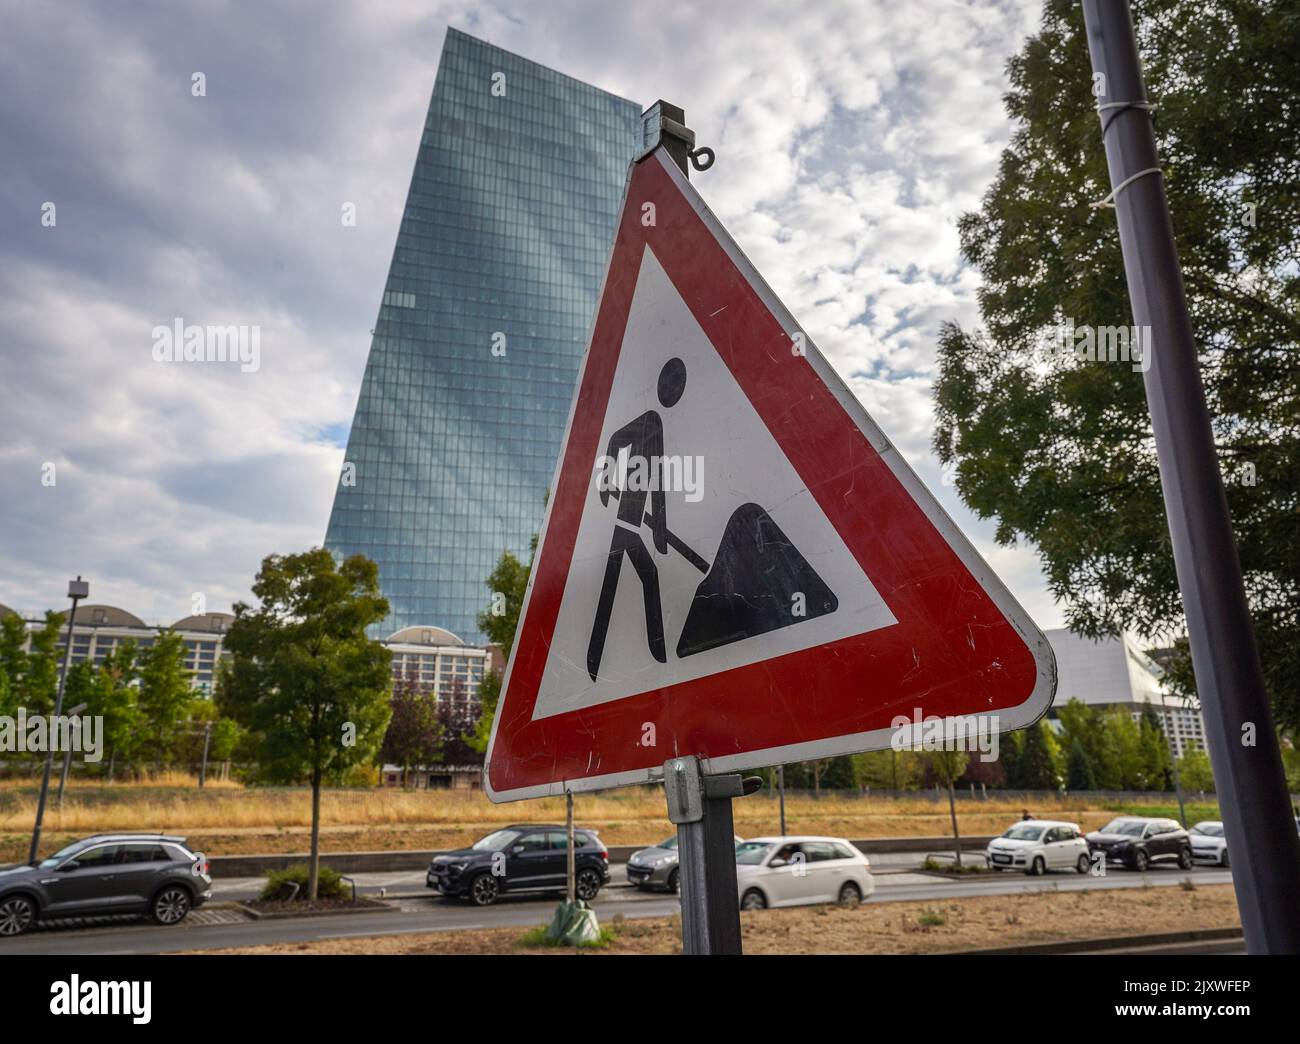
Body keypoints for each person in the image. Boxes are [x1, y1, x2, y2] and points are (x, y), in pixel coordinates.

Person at [586, 358, 687, 682]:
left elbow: (657, 484)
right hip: (624, 520)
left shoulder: (659, 428)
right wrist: (605, 480)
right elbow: (615, 439)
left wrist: (659, 525)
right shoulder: (649, 420)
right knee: (634, 578)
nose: (675, 394)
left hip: (631, 522)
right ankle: (656, 659)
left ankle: (599, 658)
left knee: (620, 581)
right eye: (674, 387)